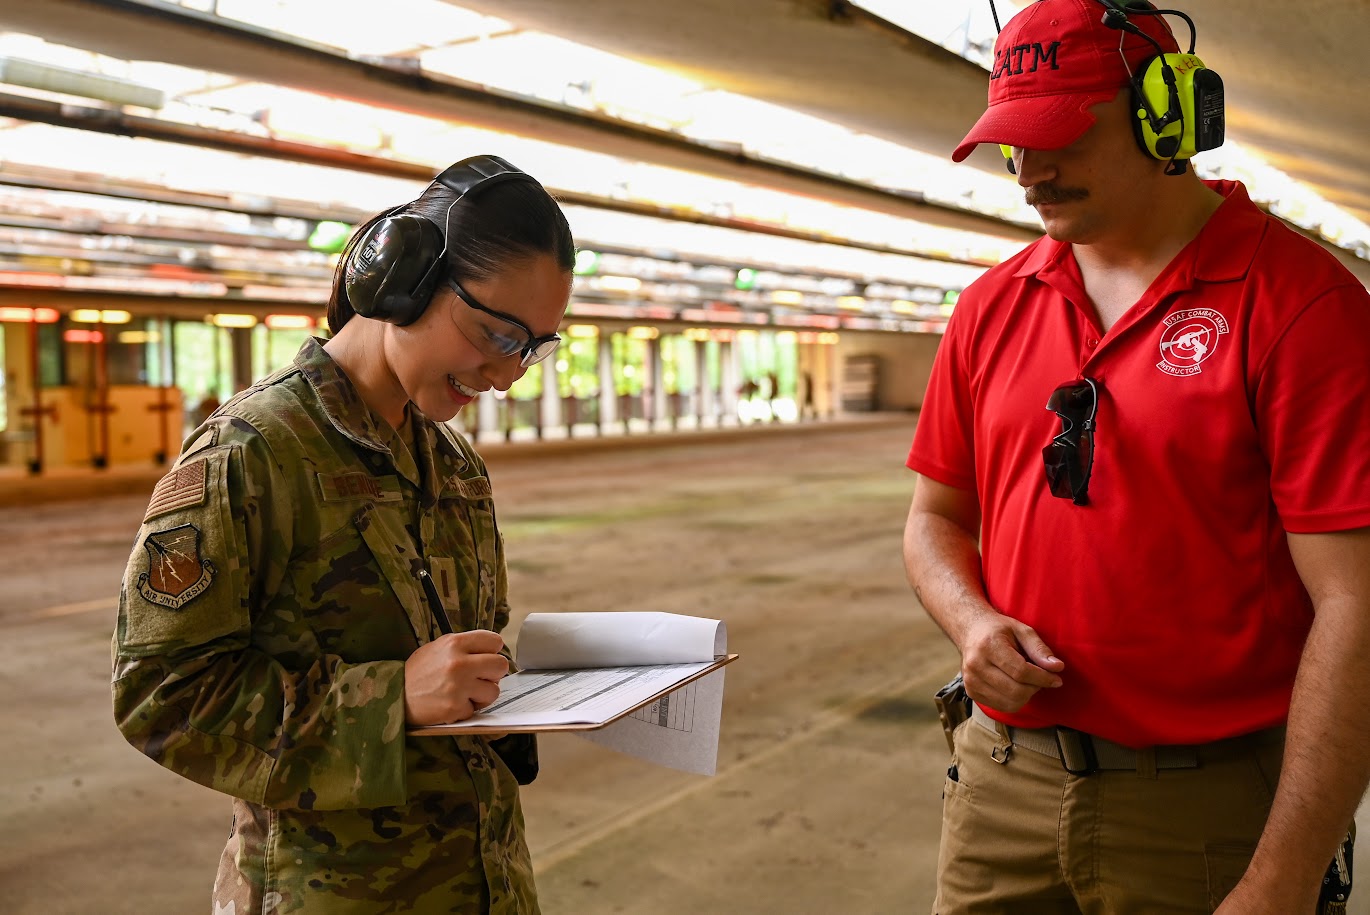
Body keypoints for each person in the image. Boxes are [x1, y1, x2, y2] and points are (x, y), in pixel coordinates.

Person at [902, 2, 1370, 912]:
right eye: (1012, 143)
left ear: (1169, 115)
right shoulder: (990, 308)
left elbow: (1357, 605)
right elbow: (935, 519)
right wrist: (972, 624)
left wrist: (1282, 875)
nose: (1030, 172)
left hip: (1211, 809)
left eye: (1060, 137)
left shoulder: (1302, 307)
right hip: (1002, 781)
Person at [113, 154, 575, 914]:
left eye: (533, 346)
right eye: (496, 332)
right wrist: (392, 698)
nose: (508, 373)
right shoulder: (254, 453)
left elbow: (451, 658)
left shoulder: (451, 463)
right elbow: (162, 694)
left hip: (482, 884)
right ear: (404, 280)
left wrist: (520, 690)